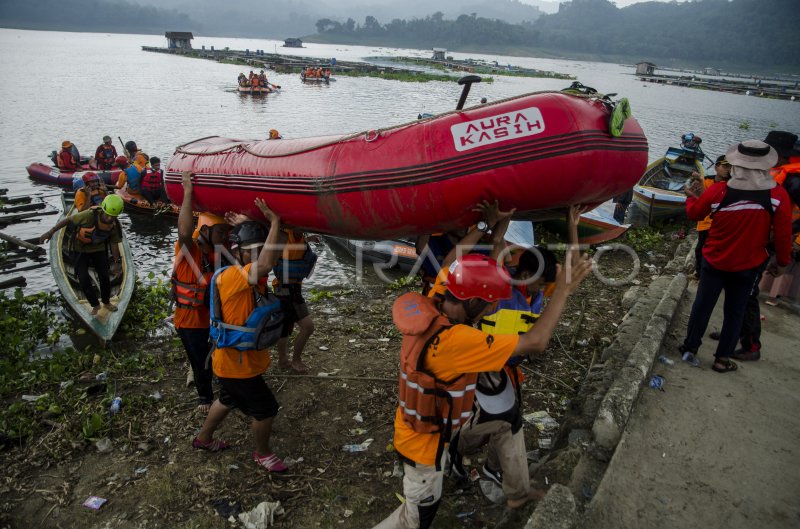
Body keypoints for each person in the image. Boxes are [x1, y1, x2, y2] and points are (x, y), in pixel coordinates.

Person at [372, 242, 592, 529]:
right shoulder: (458, 341)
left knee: (506, 420)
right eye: (490, 305)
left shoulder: (438, 297)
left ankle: (517, 494)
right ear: (473, 301)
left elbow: (452, 258)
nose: (493, 310)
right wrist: (563, 291)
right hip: (425, 447)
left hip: (436, 420)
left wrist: (492, 225)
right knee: (415, 520)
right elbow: (536, 342)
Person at [679, 140, 792, 373]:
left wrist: (690, 196)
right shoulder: (778, 195)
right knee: (735, 311)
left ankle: (690, 347)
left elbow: (694, 213)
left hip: (714, 259)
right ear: (765, 166)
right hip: (748, 265)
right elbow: (783, 235)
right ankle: (722, 359)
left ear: (735, 164)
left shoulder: (719, 190)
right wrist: (782, 263)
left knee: (703, 305)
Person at [193, 204, 290, 474]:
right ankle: (263, 454)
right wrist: (273, 219)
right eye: (253, 250)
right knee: (266, 409)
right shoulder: (234, 277)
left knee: (227, 399)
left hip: (230, 362)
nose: (259, 255)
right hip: (236, 366)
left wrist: (254, 222)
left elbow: (278, 244)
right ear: (237, 252)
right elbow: (268, 260)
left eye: (260, 249)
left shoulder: (248, 273)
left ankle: (203, 439)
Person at [731, 131, 800, 360]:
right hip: (755, 235)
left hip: (768, 241)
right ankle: (732, 333)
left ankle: (751, 345)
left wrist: (786, 236)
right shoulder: (776, 173)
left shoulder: (794, 181)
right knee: (735, 288)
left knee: (748, 291)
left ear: (780, 155)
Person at [172, 171, 233, 414]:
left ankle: (222, 381)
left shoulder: (223, 251)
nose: (225, 236)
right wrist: (188, 192)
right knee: (200, 363)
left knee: (218, 355)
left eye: (226, 233)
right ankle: (204, 397)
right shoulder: (190, 249)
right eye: (220, 232)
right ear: (206, 231)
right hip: (191, 321)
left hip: (216, 317)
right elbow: (184, 231)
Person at [39, 195, 125, 316]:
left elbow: (114, 244)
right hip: (80, 249)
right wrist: (50, 232)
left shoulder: (114, 225)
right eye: (108, 215)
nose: (110, 218)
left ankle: (106, 302)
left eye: (113, 216)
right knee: (83, 279)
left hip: (98, 249)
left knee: (105, 277)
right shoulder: (89, 216)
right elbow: (68, 220)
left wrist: (117, 264)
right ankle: (95, 304)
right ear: (103, 210)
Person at [272, 228, 317, 373]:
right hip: (284, 289)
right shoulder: (283, 235)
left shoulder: (300, 237)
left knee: (286, 327)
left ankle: (283, 361)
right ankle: (293, 360)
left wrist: (308, 240)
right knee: (307, 327)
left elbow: (296, 243)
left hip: (292, 289)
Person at [693, 155, 732, 275]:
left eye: (730, 167)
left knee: (714, 251)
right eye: (725, 166)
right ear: (716, 167)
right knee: (700, 249)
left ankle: (707, 273)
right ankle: (699, 273)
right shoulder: (706, 181)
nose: (728, 170)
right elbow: (701, 200)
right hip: (705, 223)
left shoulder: (731, 185)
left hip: (721, 224)